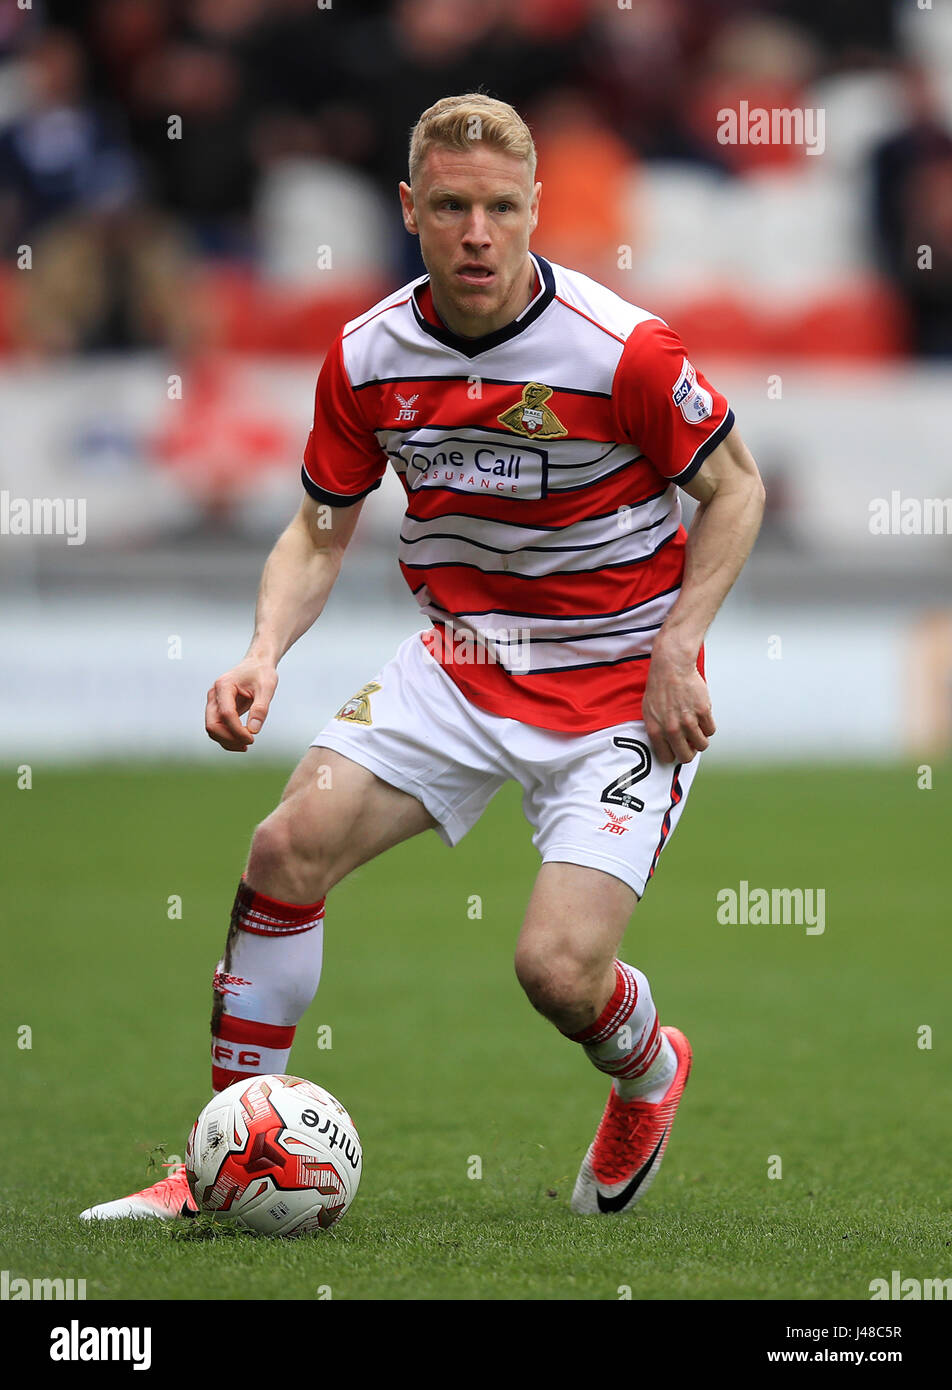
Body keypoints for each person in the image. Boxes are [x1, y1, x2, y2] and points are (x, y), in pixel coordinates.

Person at [81, 92, 765, 1223]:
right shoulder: (366, 356)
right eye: (451, 206)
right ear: (410, 208)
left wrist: (681, 642)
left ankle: (648, 1072)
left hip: (614, 691)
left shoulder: (620, 350)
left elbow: (735, 485)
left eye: (501, 207)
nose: (478, 233)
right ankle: (222, 1162)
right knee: (285, 846)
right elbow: (317, 527)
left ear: (536, 207)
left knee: (556, 972)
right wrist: (263, 650)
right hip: (455, 664)